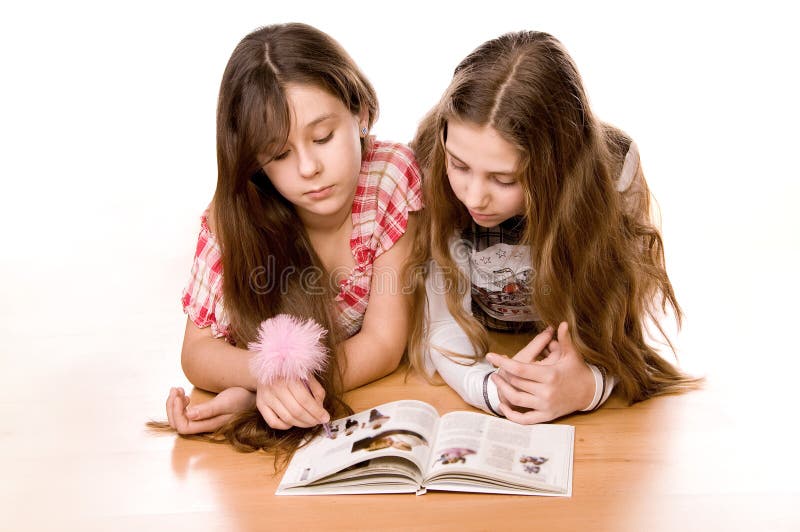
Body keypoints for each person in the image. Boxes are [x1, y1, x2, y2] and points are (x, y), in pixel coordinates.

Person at [154, 23, 422, 458]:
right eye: (279, 154)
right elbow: (198, 352)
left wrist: (285, 391)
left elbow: (384, 343)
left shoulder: (388, 176)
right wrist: (264, 380)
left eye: (322, 137)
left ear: (360, 113)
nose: (308, 167)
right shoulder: (234, 216)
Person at [407, 30, 700, 425]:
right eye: (459, 166)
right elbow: (439, 322)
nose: (474, 197)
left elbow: (618, 325)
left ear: (557, 169)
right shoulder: (425, 159)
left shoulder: (613, 173)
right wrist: (489, 389)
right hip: (485, 345)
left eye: (505, 179)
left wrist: (588, 386)